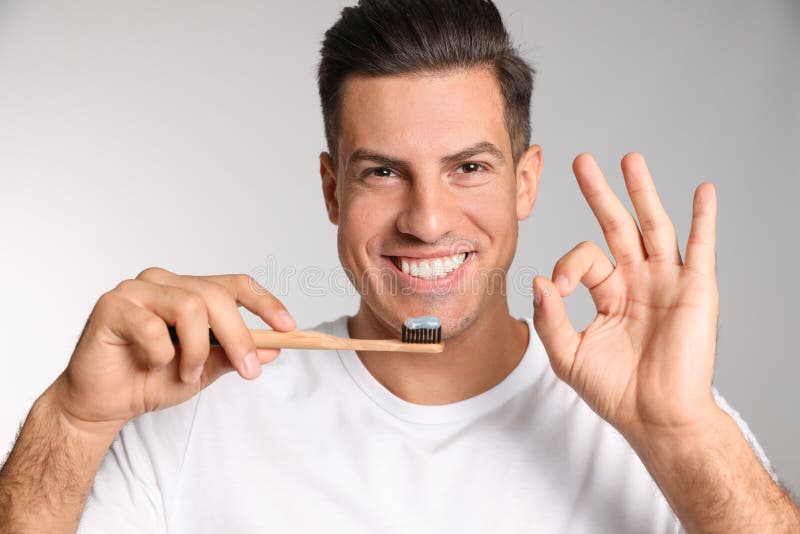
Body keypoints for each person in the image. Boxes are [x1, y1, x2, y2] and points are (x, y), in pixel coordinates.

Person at [1, 0, 798, 532]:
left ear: (525, 183)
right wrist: (71, 422)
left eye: (469, 168)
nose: (425, 220)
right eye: (382, 171)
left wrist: (685, 437)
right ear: (331, 189)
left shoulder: (662, 422)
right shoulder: (196, 420)